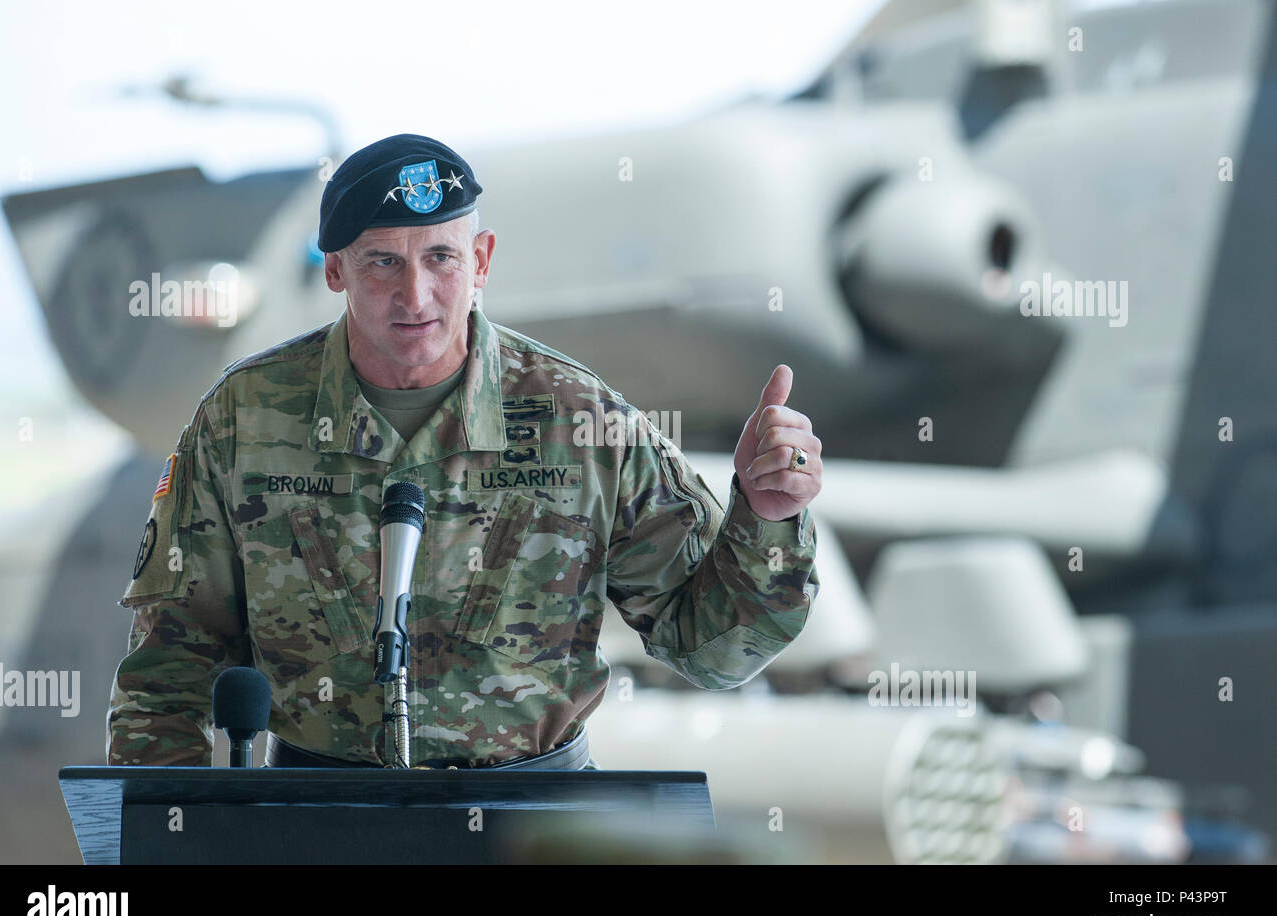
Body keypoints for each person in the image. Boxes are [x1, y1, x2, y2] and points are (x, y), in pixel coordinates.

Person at [107, 133, 822, 770]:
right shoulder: (245, 418)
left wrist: (766, 517)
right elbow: (167, 672)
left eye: (440, 257)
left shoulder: (581, 420)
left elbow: (712, 650)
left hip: (531, 825)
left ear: (480, 260)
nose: (415, 294)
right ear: (335, 271)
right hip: (318, 822)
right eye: (382, 262)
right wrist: (169, 838)